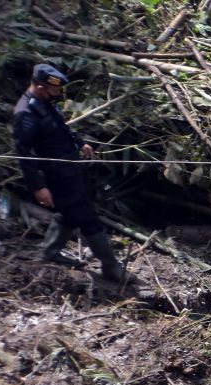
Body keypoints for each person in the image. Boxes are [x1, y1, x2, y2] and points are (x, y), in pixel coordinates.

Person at [13, 64, 124, 282]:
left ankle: (50, 252)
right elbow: (23, 154)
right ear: (40, 87)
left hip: (70, 168)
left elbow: (61, 127)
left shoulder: (45, 103)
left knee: (68, 212)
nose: (57, 95)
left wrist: (81, 143)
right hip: (57, 175)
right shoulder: (25, 113)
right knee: (87, 217)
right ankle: (111, 266)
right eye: (53, 91)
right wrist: (38, 187)